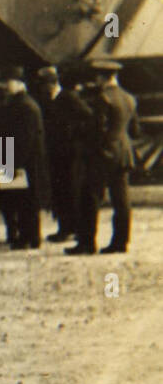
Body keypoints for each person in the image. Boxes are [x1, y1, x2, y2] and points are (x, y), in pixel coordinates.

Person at [72, 59, 138, 254]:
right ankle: (121, 242)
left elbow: (96, 129)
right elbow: (135, 130)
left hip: (102, 154)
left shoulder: (103, 98)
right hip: (124, 153)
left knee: (89, 197)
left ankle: (87, 243)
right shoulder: (129, 98)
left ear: (101, 77)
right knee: (121, 199)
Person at [0, 66, 48, 250]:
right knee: (21, 200)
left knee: (25, 201)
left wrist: (15, 164)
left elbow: (25, 139)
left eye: (7, 83)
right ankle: (28, 236)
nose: (4, 87)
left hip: (20, 161)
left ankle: (28, 237)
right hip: (15, 159)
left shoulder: (24, 106)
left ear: (18, 83)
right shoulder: (19, 103)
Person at [35, 66, 92, 244]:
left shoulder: (69, 97)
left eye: (45, 84)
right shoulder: (46, 100)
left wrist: (73, 132)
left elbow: (88, 116)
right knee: (59, 192)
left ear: (53, 83)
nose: (43, 88)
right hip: (55, 153)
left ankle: (72, 228)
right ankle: (64, 227)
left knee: (70, 190)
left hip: (69, 153)